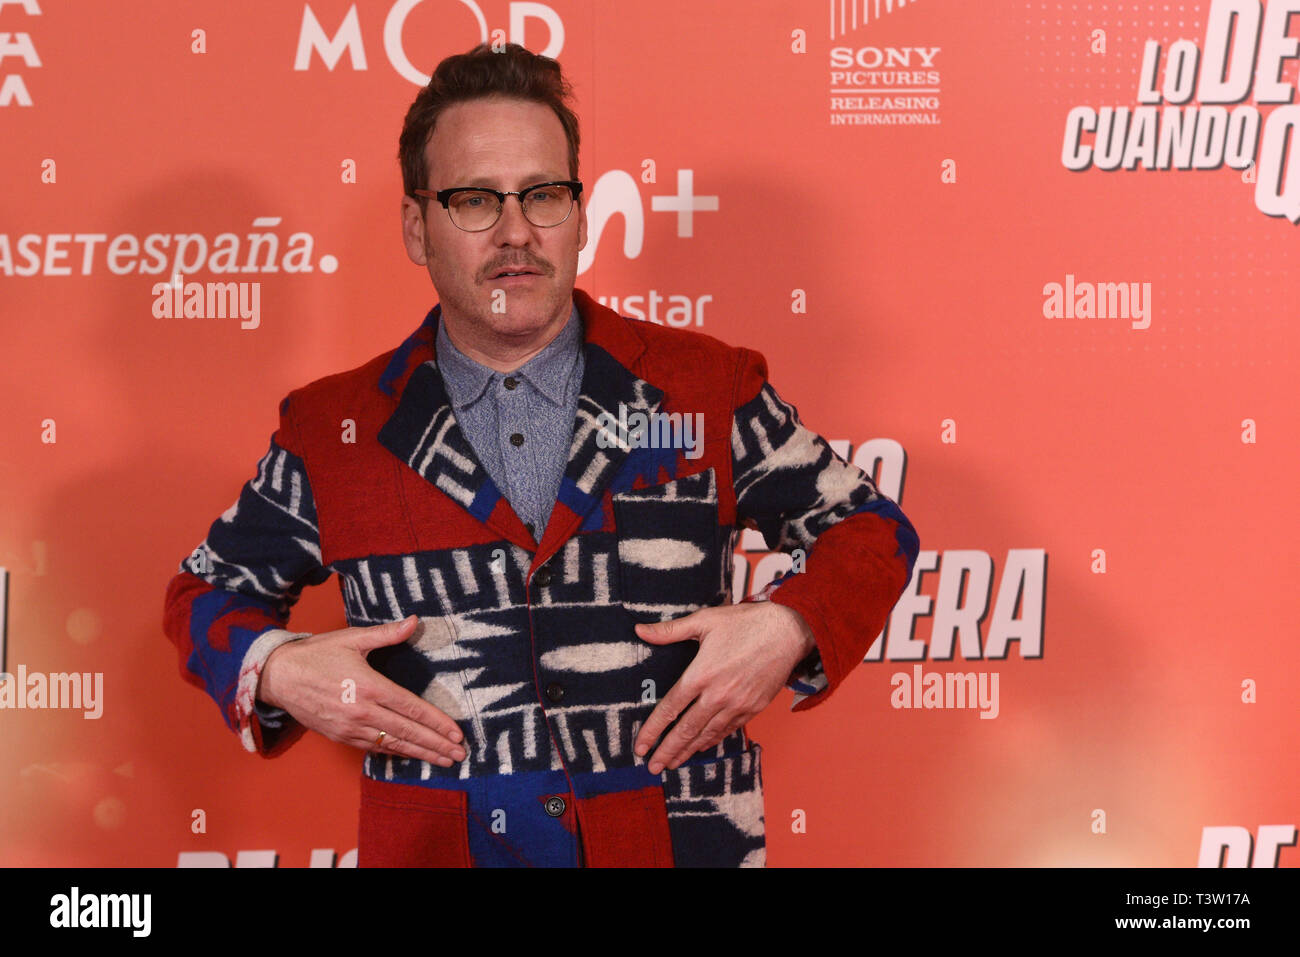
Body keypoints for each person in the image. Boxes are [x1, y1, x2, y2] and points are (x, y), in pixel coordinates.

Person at [162, 42, 919, 867]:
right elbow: (204, 591)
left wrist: (788, 623)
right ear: (418, 226)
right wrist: (274, 670)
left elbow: (870, 530)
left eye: (544, 194)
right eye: (476, 199)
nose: (517, 232)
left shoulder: (705, 386)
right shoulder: (331, 427)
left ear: (581, 216)